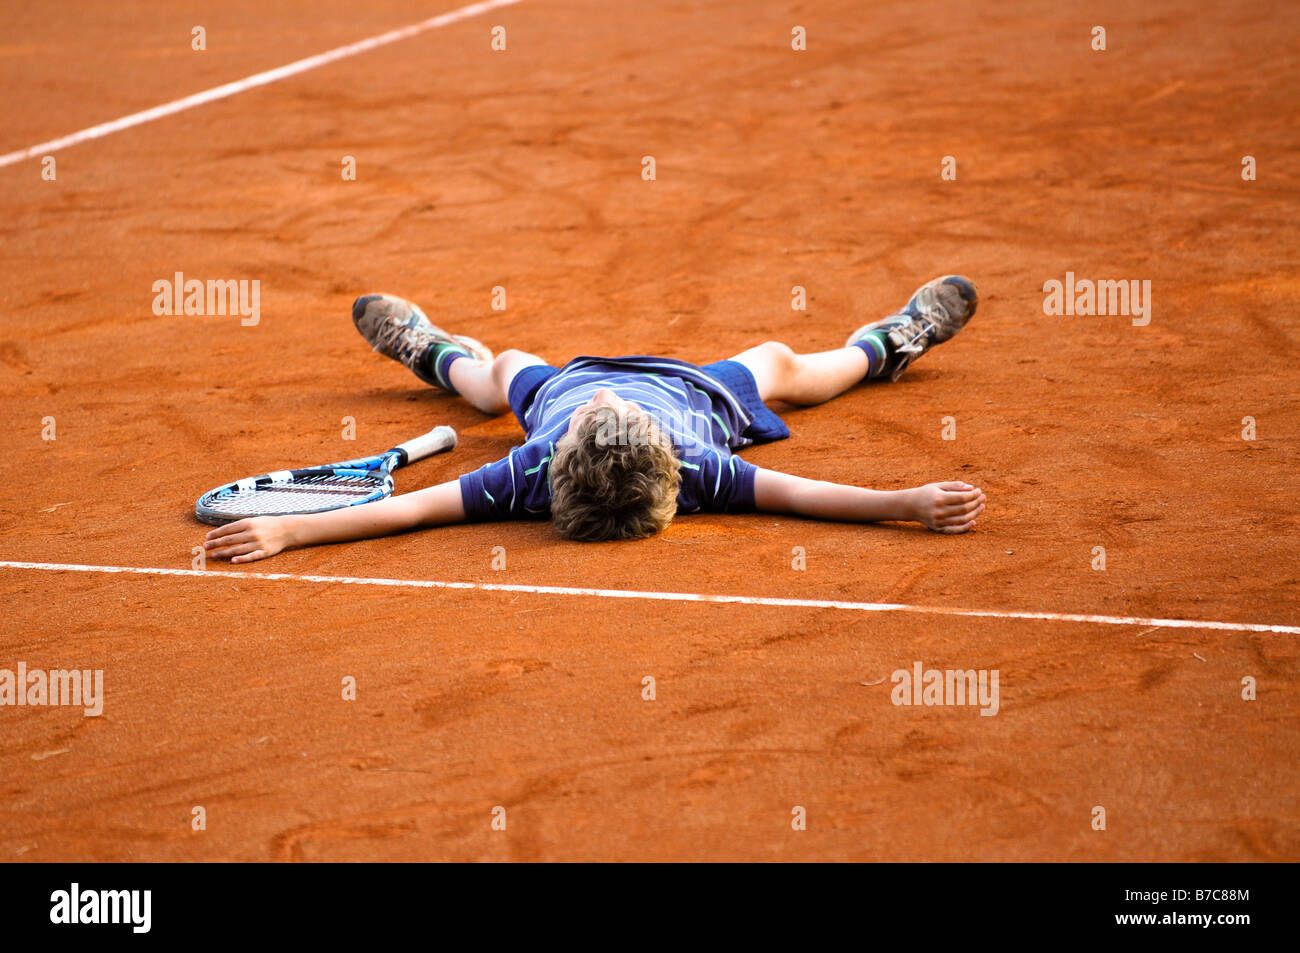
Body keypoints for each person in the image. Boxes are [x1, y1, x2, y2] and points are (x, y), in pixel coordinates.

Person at [203, 276, 986, 563]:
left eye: (595, 420)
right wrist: (906, 503)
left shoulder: (523, 473)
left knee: (503, 370)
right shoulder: (699, 462)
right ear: (671, 459)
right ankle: (888, 343)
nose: (608, 404)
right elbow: (810, 495)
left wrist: (289, 531)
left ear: (554, 460)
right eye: (614, 416)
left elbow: (408, 512)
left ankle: (434, 353)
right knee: (784, 362)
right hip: (694, 389)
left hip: (552, 385)